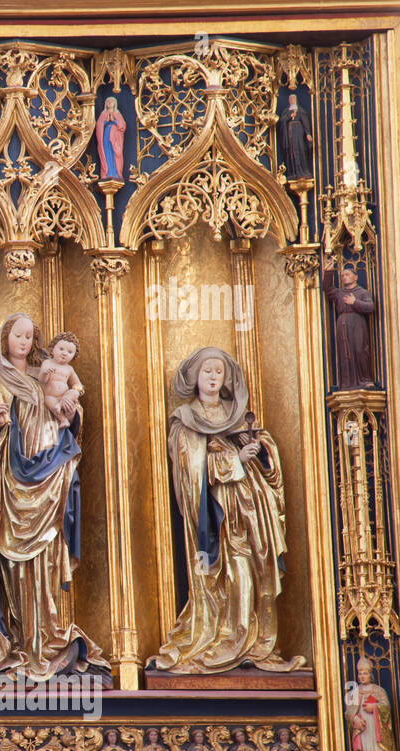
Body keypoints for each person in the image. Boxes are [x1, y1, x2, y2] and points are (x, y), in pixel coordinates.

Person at [0, 314, 108, 681]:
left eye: (30, 336)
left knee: (46, 556)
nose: (25, 341)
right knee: (13, 560)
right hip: (11, 486)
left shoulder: (44, 372)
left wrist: (72, 414)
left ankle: (49, 636)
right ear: (5, 338)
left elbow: (69, 415)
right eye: (18, 334)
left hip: (50, 476)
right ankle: (20, 638)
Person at [155, 347, 306, 674]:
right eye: (207, 371)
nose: (212, 377)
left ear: (226, 379)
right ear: (195, 376)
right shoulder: (185, 419)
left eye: (218, 372)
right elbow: (188, 470)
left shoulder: (239, 414)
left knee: (255, 568)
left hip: (252, 509)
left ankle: (256, 643)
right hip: (217, 516)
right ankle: (229, 637)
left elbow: (269, 465)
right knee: (232, 570)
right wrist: (232, 460)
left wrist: (259, 451)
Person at [321, 254, 376, 389]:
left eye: (347, 274)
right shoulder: (340, 293)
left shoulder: (362, 292)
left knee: (359, 349)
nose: (345, 277)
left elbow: (370, 307)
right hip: (342, 323)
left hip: (357, 323)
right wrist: (328, 271)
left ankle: (365, 379)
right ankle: (347, 382)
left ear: (355, 277)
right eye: (343, 275)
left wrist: (354, 302)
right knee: (345, 352)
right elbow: (327, 289)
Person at [39, 332, 84, 429]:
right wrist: (45, 373)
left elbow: (77, 384)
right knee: (47, 399)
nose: (64, 353)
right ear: (52, 349)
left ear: (74, 356)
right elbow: (42, 380)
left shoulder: (69, 369)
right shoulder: (47, 363)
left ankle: (61, 404)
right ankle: (63, 420)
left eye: (69, 352)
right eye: (61, 349)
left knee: (74, 392)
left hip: (64, 397)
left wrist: (77, 389)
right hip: (51, 396)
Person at [95, 96, 126, 180]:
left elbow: (122, 126)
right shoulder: (103, 114)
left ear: (114, 104)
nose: (109, 103)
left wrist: (114, 121)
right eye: (108, 102)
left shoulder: (117, 113)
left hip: (115, 137)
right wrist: (105, 122)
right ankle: (107, 173)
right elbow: (98, 125)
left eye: (111, 101)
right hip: (106, 136)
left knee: (114, 153)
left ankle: (116, 173)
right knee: (107, 153)